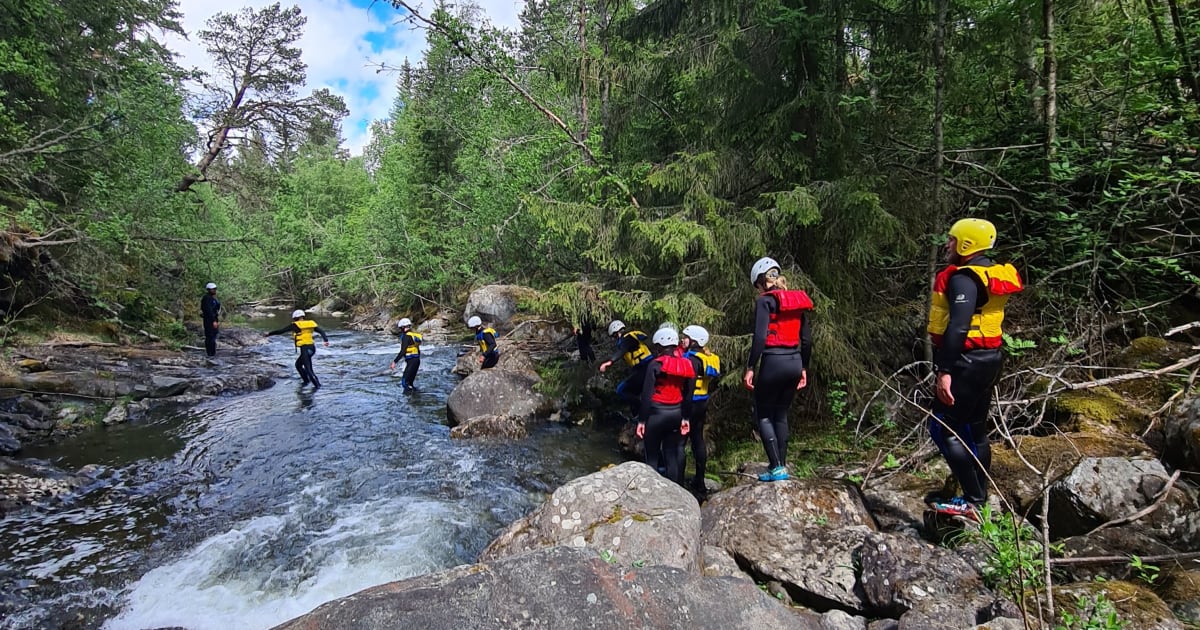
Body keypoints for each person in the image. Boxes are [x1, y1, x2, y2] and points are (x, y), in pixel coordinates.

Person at [927, 218, 1023, 519]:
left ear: (967, 244)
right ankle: (979, 496)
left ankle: (973, 500)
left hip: (966, 364)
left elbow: (958, 327)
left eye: (953, 240)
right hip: (990, 358)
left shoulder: (964, 279)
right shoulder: (990, 273)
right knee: (975, 430)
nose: (948, 245)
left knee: (943, 428)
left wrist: (944, 371)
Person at [743, 257, 813, 482]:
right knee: (781, 414)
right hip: (794, 362)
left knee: (763, 414)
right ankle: (781, 464)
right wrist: (804, 367)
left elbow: (761, 337)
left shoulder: (765, 301)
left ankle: (776, 467)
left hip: (773, 361)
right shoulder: (796, 300)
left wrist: (750, 366)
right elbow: (807, 340)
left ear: (762, 282)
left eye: (757, 286)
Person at [637, 327, 695, 485]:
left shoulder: (655, 365)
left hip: (656, 414)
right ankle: (676, 492)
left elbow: (646, 396)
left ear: (660, 345)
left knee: (652, 458)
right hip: (676, 414)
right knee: (670, 455)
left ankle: (651, 493)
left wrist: (641, 421)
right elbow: (689, 395)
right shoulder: (687, 364)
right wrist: (686, 418)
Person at [682, 324, 720, 499]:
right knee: (697, 439)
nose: (683, 340)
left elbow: (687, 389)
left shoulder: (691, 360)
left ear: (694, 341)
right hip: (702, 402)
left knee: (679, 442)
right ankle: (700, 480)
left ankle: (677, 481)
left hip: (689, 404)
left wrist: (683, 414)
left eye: (686, 337)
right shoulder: (706, 357)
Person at [598, 320, 653, 416]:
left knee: (622, 390)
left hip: (644, 367)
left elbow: (622, 351)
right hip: (646, 366)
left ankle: (641, 411)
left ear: (617, 333)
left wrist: (609, 362)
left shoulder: (627, 338)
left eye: (614, 336)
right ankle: (637, 414)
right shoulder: (632, 336)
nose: (615, 339)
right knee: (634, 392)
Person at [265, 309, 330, 388]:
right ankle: (306, 381)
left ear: (295, 317)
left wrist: (269, 333)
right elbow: (321, 331)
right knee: (298, 365)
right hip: (312, 348)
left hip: (305, 349)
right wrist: (325, 340)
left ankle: (318, 386)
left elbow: (281, 331)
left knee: (309, 370)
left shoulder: (295, 325)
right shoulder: (310, 323)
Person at [390, 318, 422, 392]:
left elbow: (403, 351)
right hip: (416, 360)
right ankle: (415, 397)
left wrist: (394, 362)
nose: (400, 330)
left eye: (401, 328)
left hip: (411, 361)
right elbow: (417, 350)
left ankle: (410, 399)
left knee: (405, 383)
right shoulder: (414, 335)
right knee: (410, 383)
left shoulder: (406, 337)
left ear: (403, 327)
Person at [200, 282, 221, 358]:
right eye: (213, 289)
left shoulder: (213, 298)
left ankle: (212, 353)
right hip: (209, 320)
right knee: (210, 336)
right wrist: (213, 321)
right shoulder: (206, 298)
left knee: (213, 336)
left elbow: (216, 309)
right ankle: (210, 353)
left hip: (214, 319)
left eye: (215, 289)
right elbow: (208, 311)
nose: (215, 290)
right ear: (209, 290)